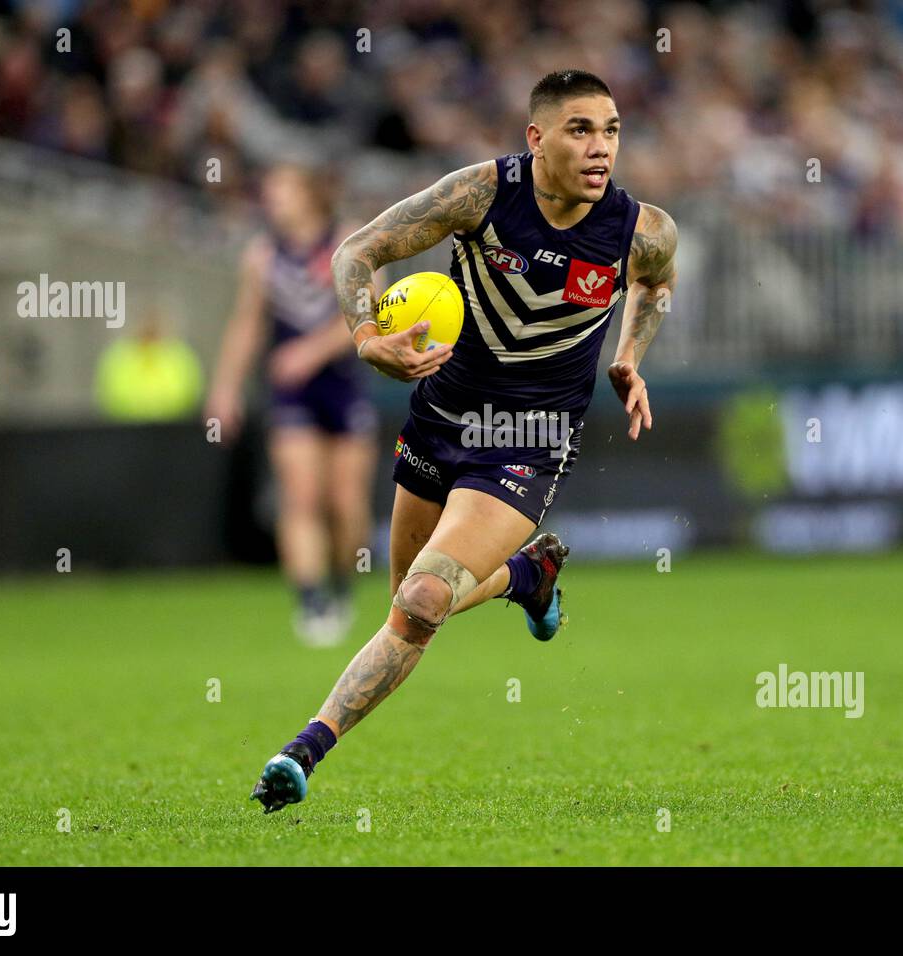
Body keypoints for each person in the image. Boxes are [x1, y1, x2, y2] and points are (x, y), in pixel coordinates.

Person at [250, 70, 678, 813]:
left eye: (611, 130)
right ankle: (524, 578)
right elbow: (355, 251)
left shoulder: (641, 229)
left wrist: (629, 354)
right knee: (406, 605)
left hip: (529, 440)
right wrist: (364, 334)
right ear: (536, 138)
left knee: (421, 601)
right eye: (580, 129)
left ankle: (303, 751)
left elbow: (657, 282)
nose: (601, 147)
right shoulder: (479, 195)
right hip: (440, 420)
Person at [206, 164, 377, 646]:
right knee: (300, 497)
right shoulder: (262, 257)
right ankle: (310, 601)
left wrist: (311, 351)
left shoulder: (351, 244)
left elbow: (371, 314)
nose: (271, 200)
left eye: (281, 190)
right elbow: (246, 324)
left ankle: (343, 587)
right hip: (291, 393)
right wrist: (225, 388)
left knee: (344, 503)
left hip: (343, 387)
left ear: (309, 194)